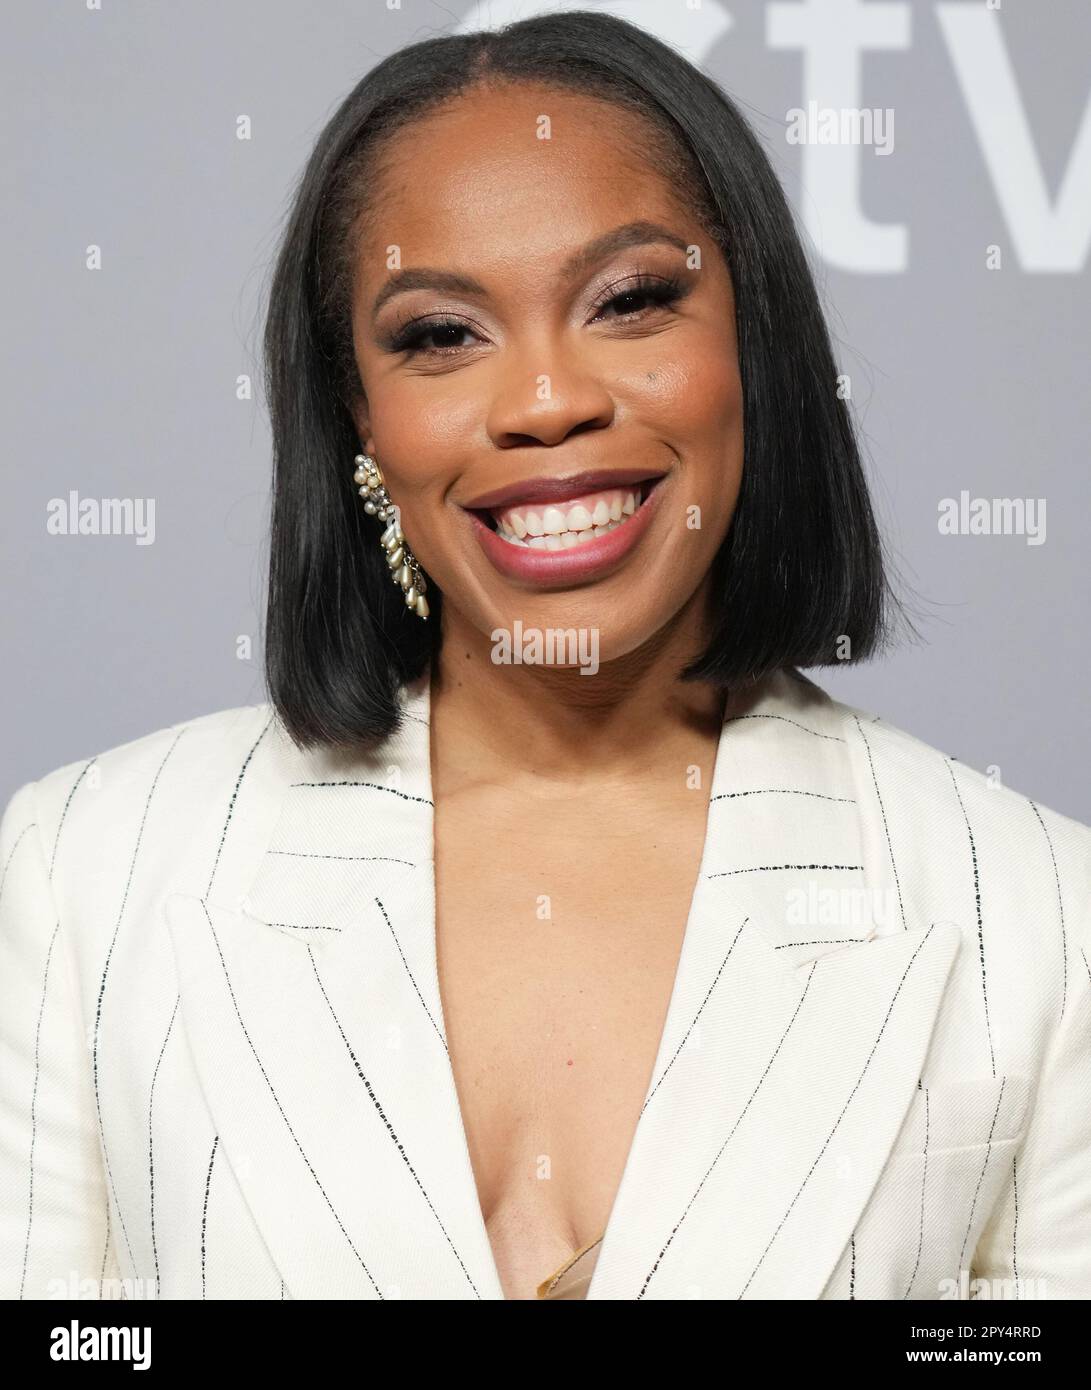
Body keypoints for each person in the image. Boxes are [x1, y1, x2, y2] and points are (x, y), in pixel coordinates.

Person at [1, 11, 1088, 1302]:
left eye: (630, 302)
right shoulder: (82, 872)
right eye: (439, 334)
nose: (543, 402)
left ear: (754, 344)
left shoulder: (1040, 916)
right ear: (361, 417)